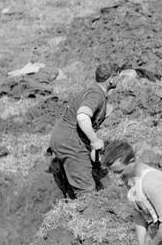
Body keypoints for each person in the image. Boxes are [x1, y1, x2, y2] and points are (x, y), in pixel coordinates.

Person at [47, 64, 122, 199]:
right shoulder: (95, 95)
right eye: (118, 76)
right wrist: (94, 141)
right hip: (70, 142)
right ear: (111, 79)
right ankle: (85, 215)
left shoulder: (94, 90)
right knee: (87, 191)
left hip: (67, 138)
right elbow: (82, 117)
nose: (119, 79)